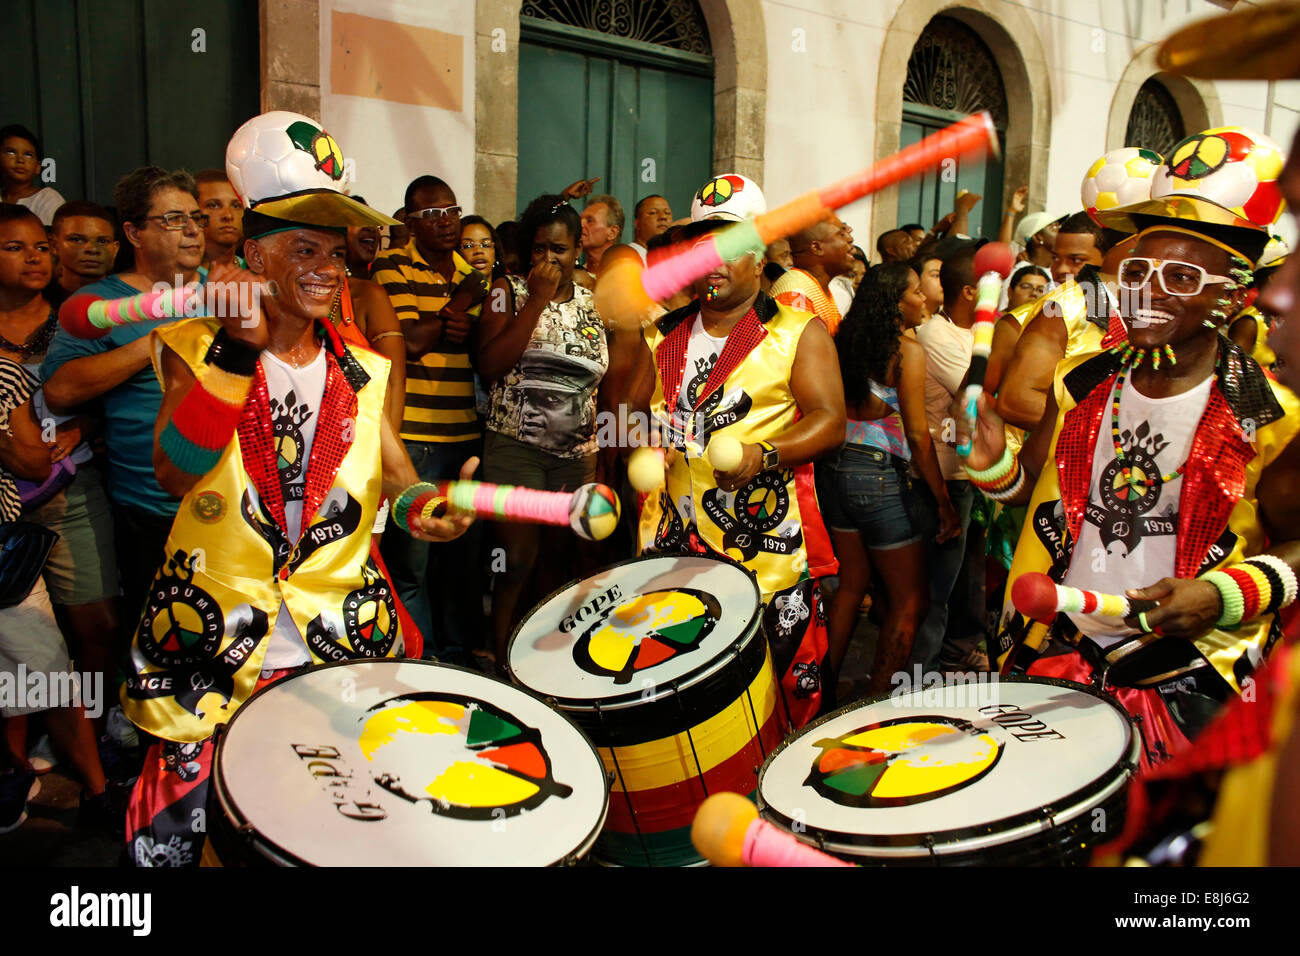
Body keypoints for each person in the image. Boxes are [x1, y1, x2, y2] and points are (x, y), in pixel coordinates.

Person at [121, 112, 473, 866]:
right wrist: (239, 349)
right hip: (213, 640)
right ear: (252, 254)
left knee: (325, 833)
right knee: (189, 841)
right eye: (302, 247)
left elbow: (398, 479)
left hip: (336, 641)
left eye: (335, 253)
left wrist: (427, 513)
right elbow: (176, 471)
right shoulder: (191, 344)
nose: (325, 267)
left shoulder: (362, 369)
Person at [967, 141, 1298, 771]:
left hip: (1191, 670)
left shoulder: (1273, 418)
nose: (1147, 293)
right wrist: (988, 467)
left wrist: (1224, 594)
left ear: (1230, 294)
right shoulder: (1082, 381)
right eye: (1138, 273)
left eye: (1181, 278)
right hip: (1057, 641)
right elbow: (1030, 493)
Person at [625, 214, 846, 728]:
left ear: (760, 260)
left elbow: (831, 422)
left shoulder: (795, 330)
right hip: (677, 545)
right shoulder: (665, 334)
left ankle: (792, 790)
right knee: (695, 687)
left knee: (788, 684)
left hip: (767, 551)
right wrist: (641, 438)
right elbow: (631, 410)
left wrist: (762, 454)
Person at [44, 168, 203, 663]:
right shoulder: (100, 303)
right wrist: (155, 342)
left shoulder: (228, 286)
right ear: (134, 233)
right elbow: (60, 390)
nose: (193, 230)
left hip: (235, 502)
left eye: (195, 217)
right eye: (174, 219)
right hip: (152, 509)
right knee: (164, 640)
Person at [477, 195, 607, 664]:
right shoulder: (506, 291)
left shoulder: (594, 300)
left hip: (577, 455)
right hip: (517, 447)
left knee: (561, 564)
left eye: (559, 249)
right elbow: (489, 364)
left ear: (577, 250)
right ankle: (500, 662)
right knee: (515, 563)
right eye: (539, 249)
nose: (548, 259)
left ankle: (548, 661)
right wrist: (535, 300)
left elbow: (604, 377)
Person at [823, 263, 959, 697]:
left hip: (834, 469)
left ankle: (819, 690)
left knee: (850, 587)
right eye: (918, 291)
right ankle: (876, 702)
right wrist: (942, 500)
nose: (926, 299)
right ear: (897, 303)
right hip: (877, 477)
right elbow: (918, 434)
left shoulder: (843, 341)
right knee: (909, 601)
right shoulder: (905, 351)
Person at [371, 175, 487, 665]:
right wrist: (455, 311)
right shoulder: (391, 267)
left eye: (451, 211)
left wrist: (460, 324)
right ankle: (418, 662)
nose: (445, 222)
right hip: (412, 437)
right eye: (431, 215)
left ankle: (458, 660)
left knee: (460, 560)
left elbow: (480, 348)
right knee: (413, 563)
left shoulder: (472, 271)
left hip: (465, 433)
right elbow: (410, 341)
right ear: (409, 223)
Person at [908, 245, 989, 673]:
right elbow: (978, 396)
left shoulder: (966, 332)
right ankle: (914, 685)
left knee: (957, 584)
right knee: (934, 592)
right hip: (941, 476)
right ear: (972, 292)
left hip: (965, 473)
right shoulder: (936, 336)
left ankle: (943, 660)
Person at [993, 212, 1131, 430]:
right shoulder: (1024, 319)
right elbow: (1005, 402)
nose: (1060, 270)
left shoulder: (1128, 309)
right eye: (1056, 258)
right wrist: (1101, 430)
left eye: (1075, 260)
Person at [769, 214, 856, 336]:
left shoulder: (814, 286)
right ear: (817, 247)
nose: (850, 239)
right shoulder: (795, 293)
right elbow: (796, 351)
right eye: (841, 234)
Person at [47, 201, 119, 310]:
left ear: (115, 249)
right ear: (54, 245)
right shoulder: (38, 303)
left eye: (103, 241)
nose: (93, 249)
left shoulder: (133, 301)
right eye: (77, 240)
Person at [0, 125, 64, 226]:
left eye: (28, 155)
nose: (20, 160)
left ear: (38, 167)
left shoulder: (47, 199)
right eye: (11, 152)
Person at [195, 170, 243, 270]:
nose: (228, 215)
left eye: (236, 206)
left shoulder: (260, 271)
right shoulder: (181, 277)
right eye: (213, 205)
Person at [579, 194, 624, 276]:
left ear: (612, 232)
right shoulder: (573, 278)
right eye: (580, 220)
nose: (581, 224)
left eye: (589, 221)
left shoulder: (627, 277)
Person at [627, 195, 672, 263]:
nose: (663, 217)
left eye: (667, 213)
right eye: (653, 212)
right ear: (637, 223)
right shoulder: (627, 256)